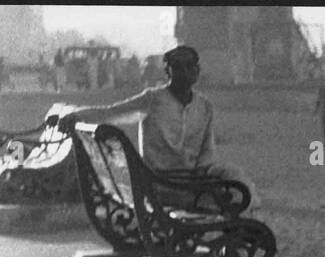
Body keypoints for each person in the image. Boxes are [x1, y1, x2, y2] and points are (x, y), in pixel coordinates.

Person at [55, 45, 258, 207]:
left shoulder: (204, 106)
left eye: (189, 67)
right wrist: (77, 115)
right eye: (178, 67)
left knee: (234, 178)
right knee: (236, 188)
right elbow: (111, 112)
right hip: (162, 184)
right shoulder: (153, 100)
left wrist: (205, 176)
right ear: (168, 72)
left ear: (197, 71)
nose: (184, 72)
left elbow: (207, 153)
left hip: (190, 181)